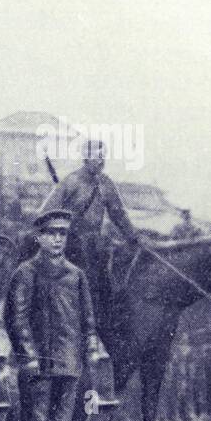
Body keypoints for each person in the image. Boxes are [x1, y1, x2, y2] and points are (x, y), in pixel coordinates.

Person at [5, 208, 105, 421]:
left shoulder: (76, 275)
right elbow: (16, 319)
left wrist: (90, 348)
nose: (57, 239)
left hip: (69, 361)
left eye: (62, 233)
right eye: (51, 233)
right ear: (38, 237)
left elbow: (88, 320)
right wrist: (29, 355)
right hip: (38, 363)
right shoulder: (26, 272)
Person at [35, 140, 140, 331]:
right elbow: (46, 213)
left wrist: (134, 236)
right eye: (96, 156)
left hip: (94, 248)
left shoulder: (106, 184)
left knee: (105, 292)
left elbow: (118, 214)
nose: (101, 161)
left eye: (103, 157)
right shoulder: (71, 182)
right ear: (86, 158)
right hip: (70, 246)